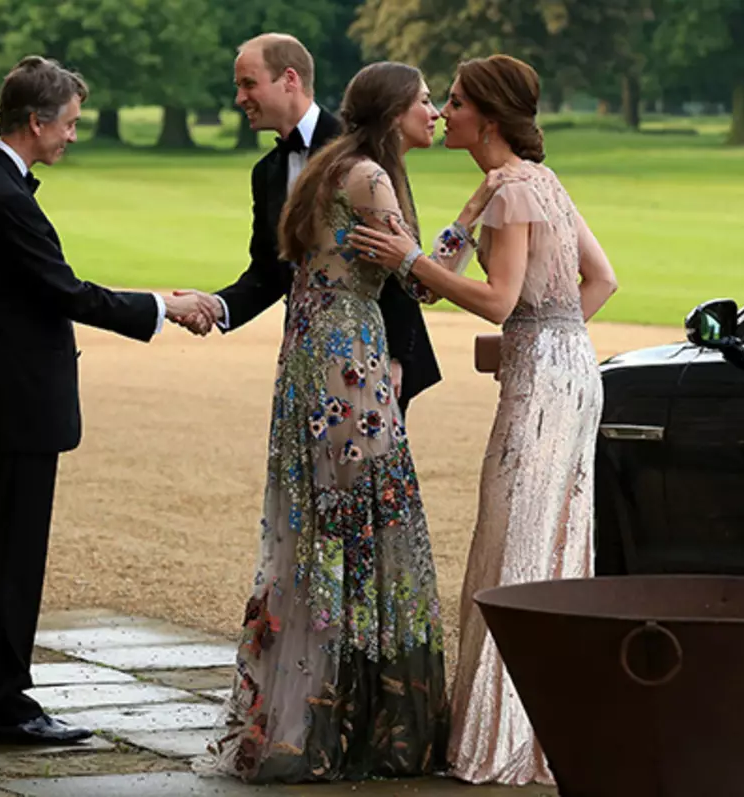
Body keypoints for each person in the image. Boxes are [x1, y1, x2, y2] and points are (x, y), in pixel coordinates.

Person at [0, 56, 201, 746]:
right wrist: (165, 305)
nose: (73, 134)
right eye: (68, 123)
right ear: (36, 121)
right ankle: (0, 707)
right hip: (10, 407)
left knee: (2, 553)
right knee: (11, 558)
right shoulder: (0, 196)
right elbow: (65, 291)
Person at [349, 54, 619, 785]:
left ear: (488, 120)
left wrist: (410, 257)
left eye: (457, 102)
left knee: (515, 546)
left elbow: (496, 298)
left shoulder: (514, 192)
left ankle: (499, 744)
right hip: (571, 372)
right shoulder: (531, 183)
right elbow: (602, 279)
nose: (444, 113)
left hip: (541, 390)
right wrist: (538, 334)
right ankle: (543, 731)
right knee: (550, 541)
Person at [196, 61, 454, 784]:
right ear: (396, 110)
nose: (433, 113)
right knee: (363, 526)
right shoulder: (370, 176)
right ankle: (359, 720)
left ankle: (311, 710)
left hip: (311, 360)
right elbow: (422, 283)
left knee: (323, 527)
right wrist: (470, 225)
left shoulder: (330, 165)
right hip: (348, 366)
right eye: (425, 102)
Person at [175, 33, 440, 415]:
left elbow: (396, 256)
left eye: (249, 84)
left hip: (374, 353)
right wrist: (216, 307)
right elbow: (269, 271)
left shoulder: (360, 151)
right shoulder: (265, 172)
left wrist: (397, 356)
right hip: (307, 349)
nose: (239, 98)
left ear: (290, 79)